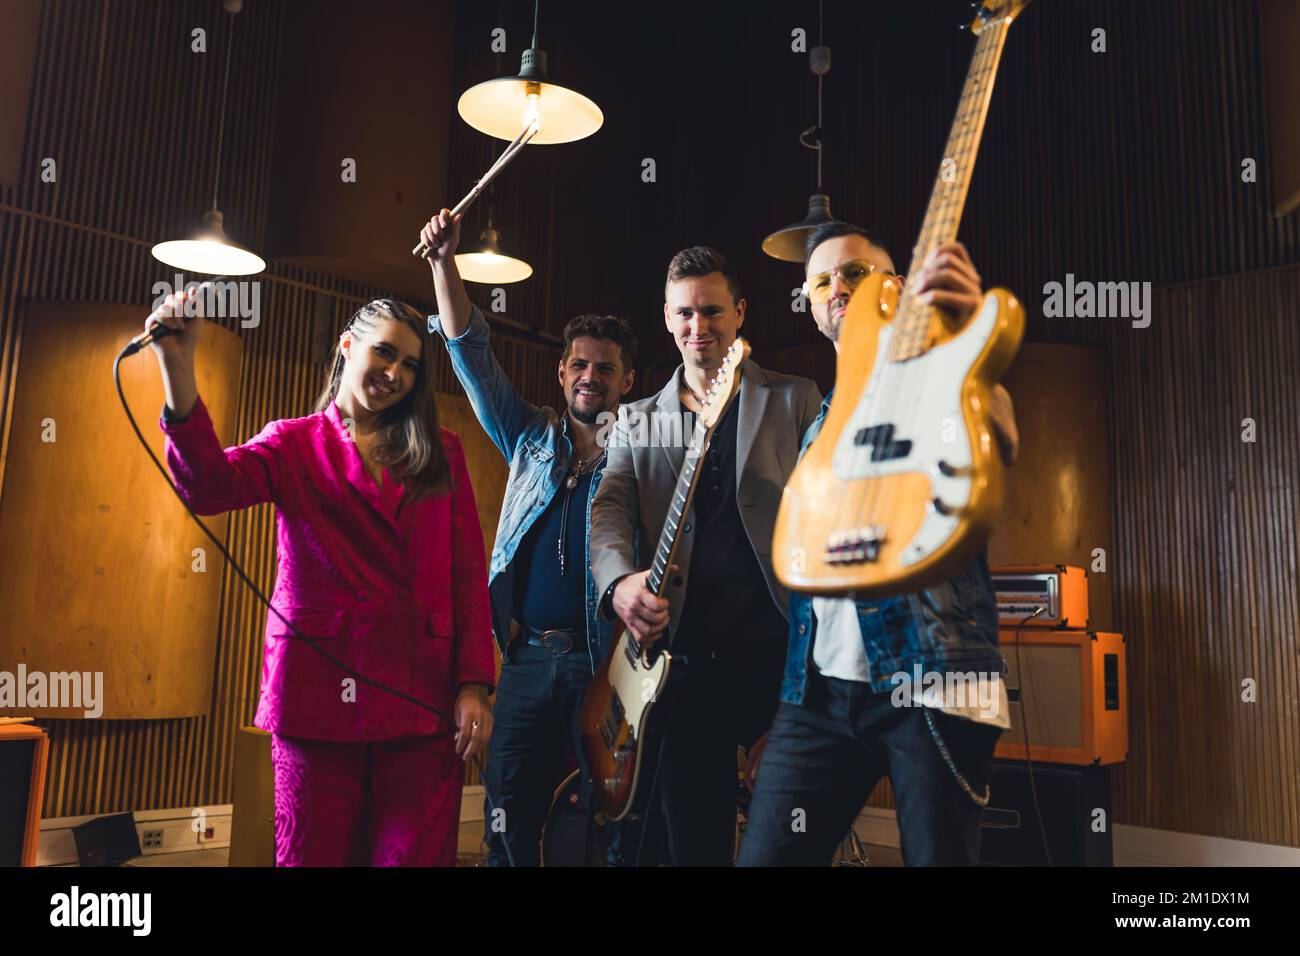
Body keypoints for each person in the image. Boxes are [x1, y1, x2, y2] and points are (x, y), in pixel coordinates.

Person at [148, 287, 495, 866]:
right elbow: (208, 487)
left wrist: (474, 683)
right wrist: (176, 366)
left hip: (424, 702)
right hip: (316, 698)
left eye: (411, 364)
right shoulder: (293, 442)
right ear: (346, 346)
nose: (396, 374)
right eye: (385, 354)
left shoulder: (443, 451)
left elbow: (466, 576)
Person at [737, 221, 1019, 867]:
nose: (837, 287)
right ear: (809, 307)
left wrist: (968, 332)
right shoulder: (818, 425)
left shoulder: (939, 372)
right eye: (821, 280)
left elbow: (999, 428)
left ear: (895, 285)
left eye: (855, 273)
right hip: (819, 692)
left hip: (934, 679)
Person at [590, 245, 822, 866]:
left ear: (740, 313)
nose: (700, 329)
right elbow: (608, 514)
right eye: (685, 314)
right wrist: (617, 585)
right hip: (680, 670)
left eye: (713, 312)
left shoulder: (797, 401)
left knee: (791, 844)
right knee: (694, 844)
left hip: (775, 659)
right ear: (667, 318)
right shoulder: (634, 423)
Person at [421, 210, 639, 866]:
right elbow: (471, 355)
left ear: (627, 381)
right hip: (520, 666)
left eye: (604, 368)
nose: (589, 377)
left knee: (601, 825)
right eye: (578, 365)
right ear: (561, 373)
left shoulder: (642, 460)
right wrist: (442, 263)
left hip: (600, 668)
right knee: (507, 823)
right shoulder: (527, 438)